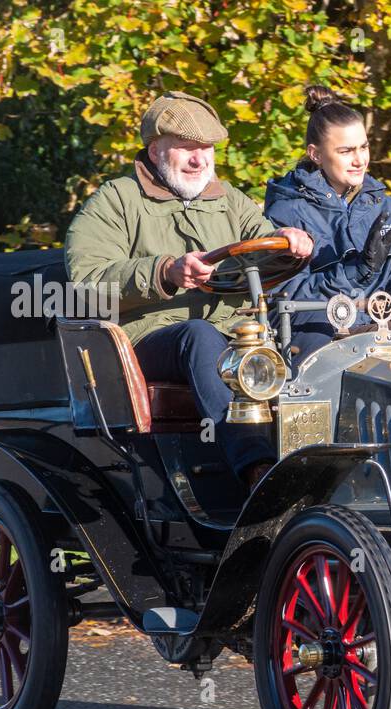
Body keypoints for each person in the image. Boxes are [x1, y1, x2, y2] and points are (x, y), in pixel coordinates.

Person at [64, 91, 314, 490]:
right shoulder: (116, 201)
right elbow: (86, 282)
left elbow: (266, 245)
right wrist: (164, 272)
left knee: (311, 339)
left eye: (207, 149)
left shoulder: (230, 201)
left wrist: (290, 240)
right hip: (148, 341)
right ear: (155, 149)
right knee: (199, 337)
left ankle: (325, 470)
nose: (200, 160)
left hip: (237, 337)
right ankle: (258, 473)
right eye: (187, 148)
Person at [263, 85, 391, 359]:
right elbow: (284, 297)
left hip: (382, 329)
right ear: (315, 154)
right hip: (316, 335)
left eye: (363, 147)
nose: (359, 160)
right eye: (345, 151)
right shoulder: (286, 213)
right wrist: (356, 271)